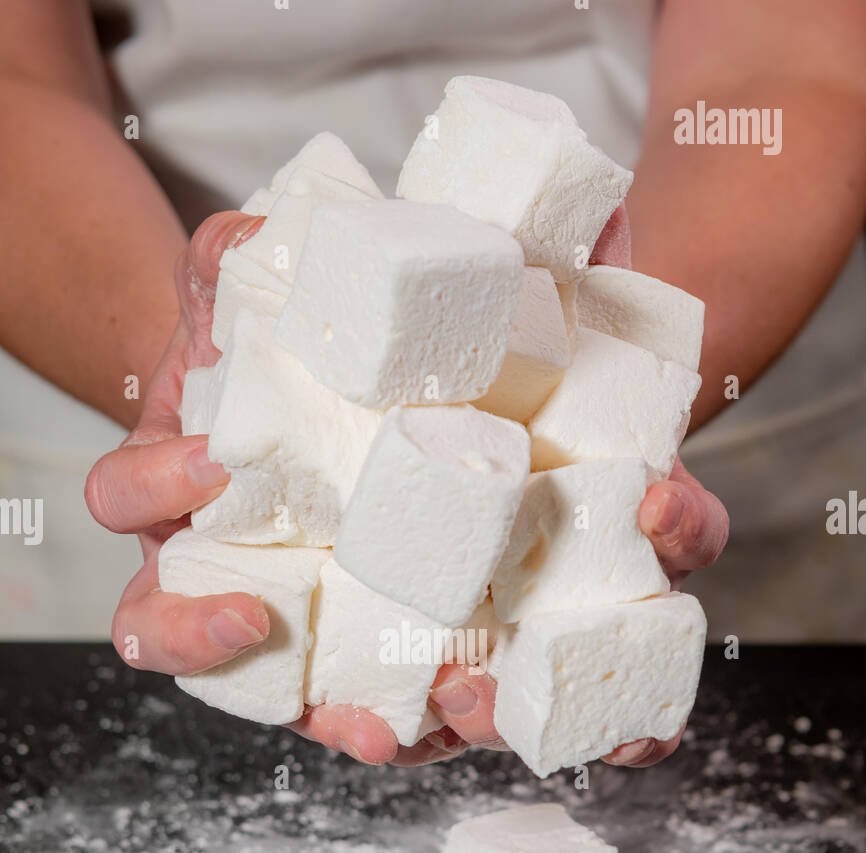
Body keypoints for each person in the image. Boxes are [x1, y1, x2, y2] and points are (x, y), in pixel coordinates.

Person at [1, 1, 864, 764]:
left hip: (728, 273)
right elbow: (17, 85)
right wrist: (227, 362)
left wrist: (601, 381)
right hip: (105, 269)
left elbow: (789, 61)